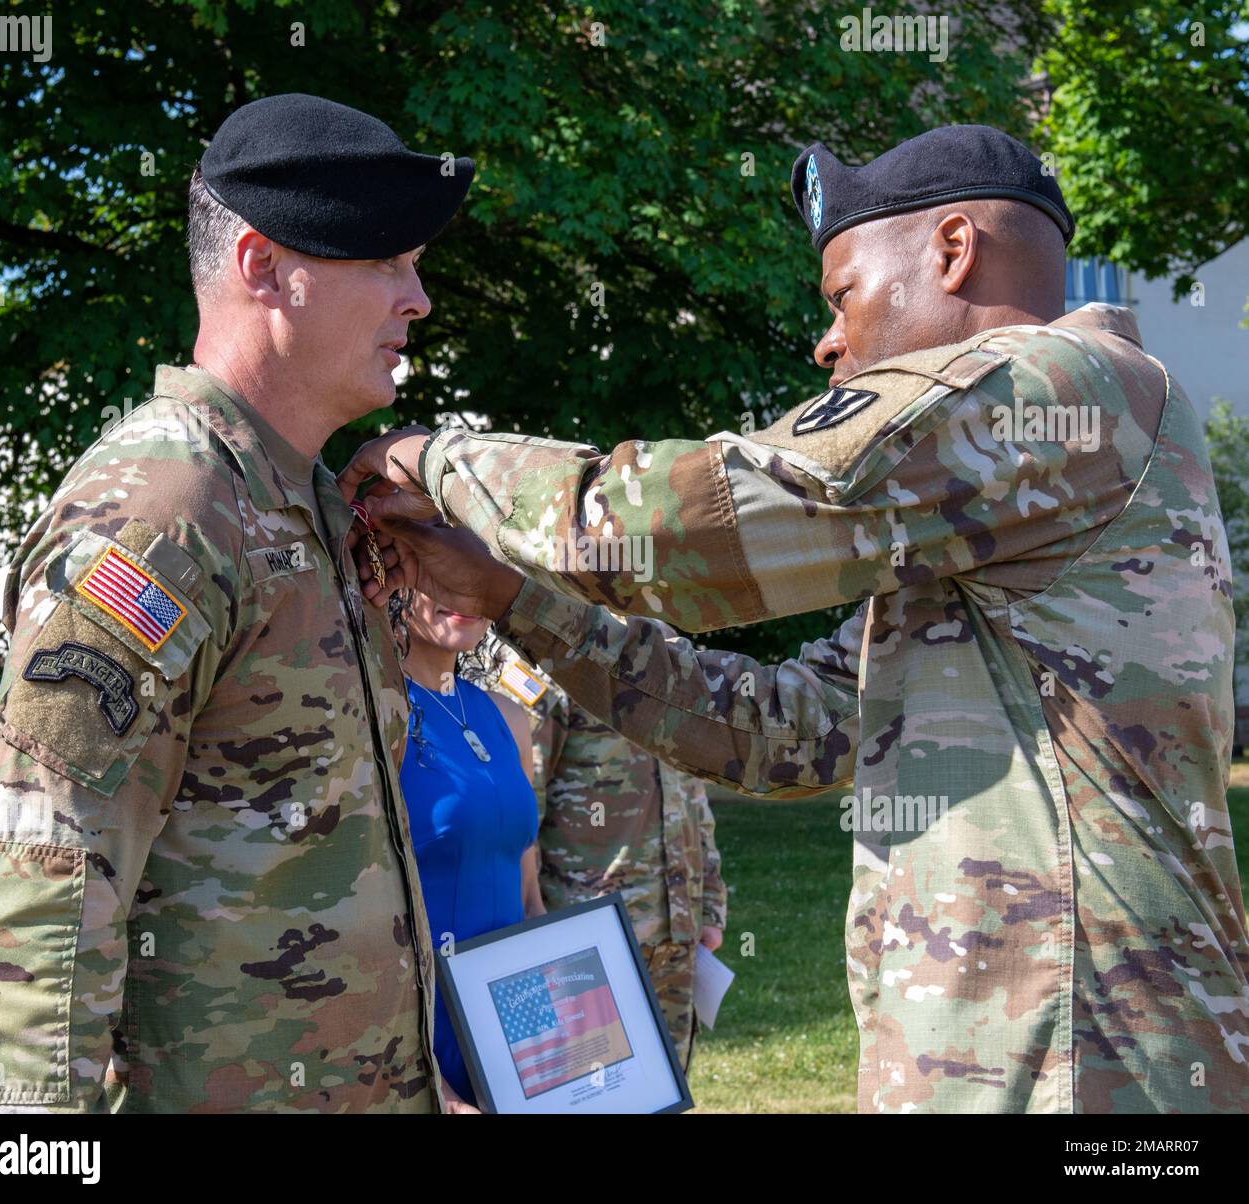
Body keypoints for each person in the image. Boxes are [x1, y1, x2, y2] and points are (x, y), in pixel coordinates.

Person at [343, 125, 1248, 1114]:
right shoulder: (985, 516)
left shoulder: (1060, 389)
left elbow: (686, 527)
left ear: (951, 251)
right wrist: (513, 599)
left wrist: (437, 459)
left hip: (1090, 1078)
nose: (827, 342)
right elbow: (785, 729)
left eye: (842, 296)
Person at [0, 93, 474, 1113]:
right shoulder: (165, 506)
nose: (418, 299)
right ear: (265, 268)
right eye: (384, 261)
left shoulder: (312, 503)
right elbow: (41, 877)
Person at [489, 639, 726, 1070]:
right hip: (584, 943)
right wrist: (531, 927)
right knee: (589, 1091)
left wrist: (710, 906)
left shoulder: (679, 659)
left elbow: (693, 798)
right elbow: (517, 817)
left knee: (666, 1086)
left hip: (677, 940)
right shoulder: (554, 657)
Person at [389, 589, 542, 1105]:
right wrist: (443, 1090)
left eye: (473, 573)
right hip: (412, 1032)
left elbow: (528, 893)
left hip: (510, 1027)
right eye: (440, 575)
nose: (464, 592)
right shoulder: (375, 719)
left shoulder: (509, 718)